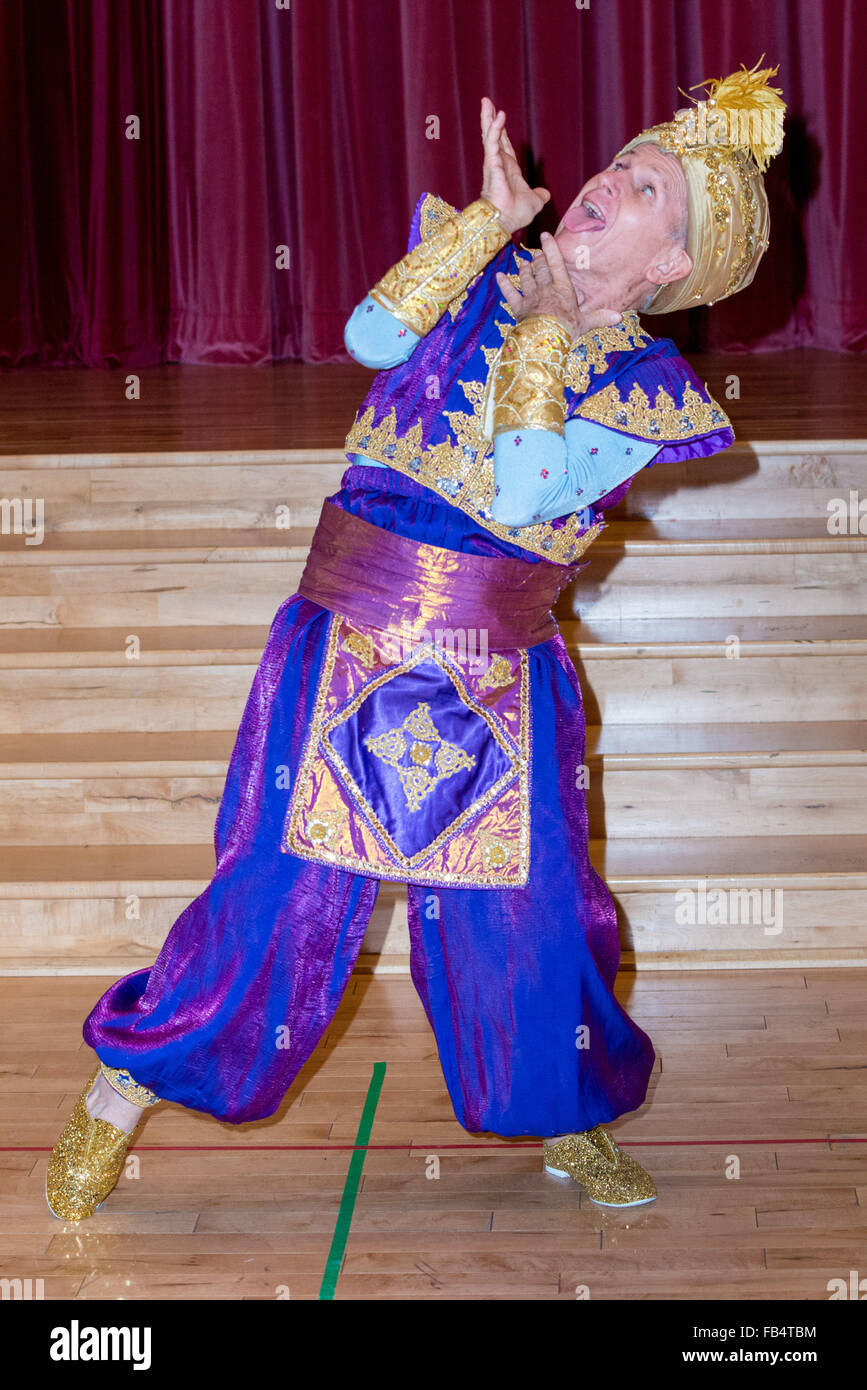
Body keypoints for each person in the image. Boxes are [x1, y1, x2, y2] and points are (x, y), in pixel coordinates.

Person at [46, 63, 785, 1221]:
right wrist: (488, 223)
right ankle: (120, 1086)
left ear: (671, 264)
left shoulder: (650, 389)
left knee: (534, 922)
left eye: (646, 189)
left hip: (499, 678)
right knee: (275, 907)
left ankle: (564, 1112)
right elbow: (369, 334)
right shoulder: (478, 266)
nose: (607, 180)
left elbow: (527, 482)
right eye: (620, 163)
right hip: (344, 648)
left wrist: (545, 336)